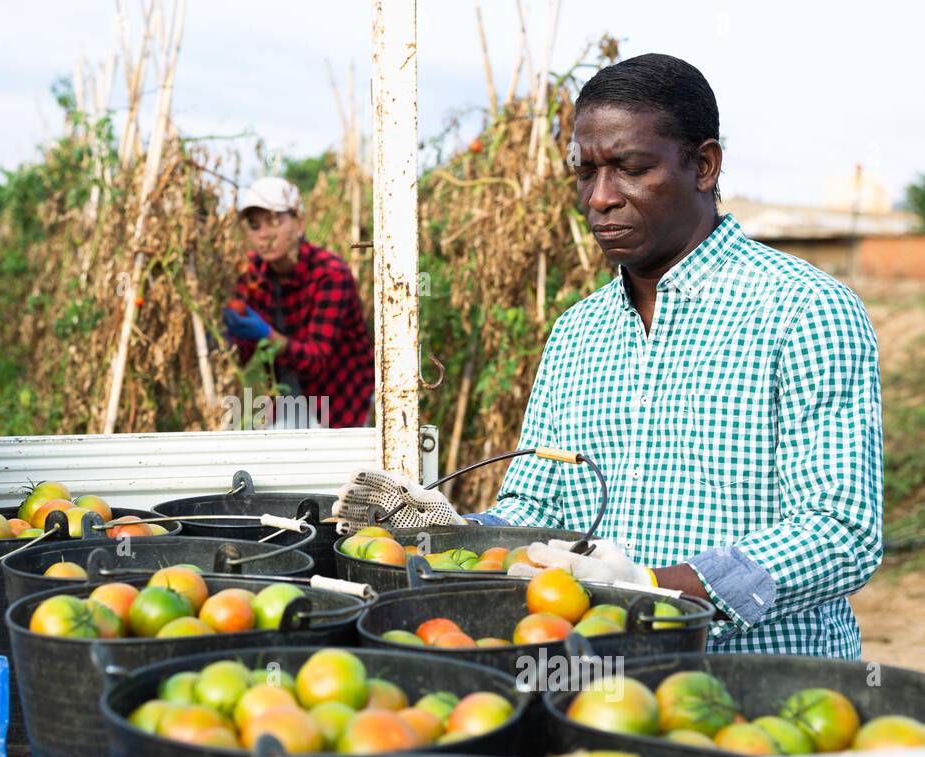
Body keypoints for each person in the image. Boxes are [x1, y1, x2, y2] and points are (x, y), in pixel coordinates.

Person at [337, 54, 883, 659]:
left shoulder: (804, 310)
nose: (600, 199)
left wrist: (656, 592)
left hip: (762, 687)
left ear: (704, 166)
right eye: (586, 172)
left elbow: (841, 531)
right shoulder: (578, 332)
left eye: (630, 169)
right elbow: (537, 508)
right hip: (597, 678)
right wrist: (452, 534)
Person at [223, 177, 374, 428]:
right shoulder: (252, 273)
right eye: (254, 225)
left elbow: (316, 360)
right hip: (288, 400)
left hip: (340, 402)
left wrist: (266, 335)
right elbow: (244, 353)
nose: (265, 235)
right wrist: (228, 336)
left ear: (299, 224)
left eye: (274, 222)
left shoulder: (330, 274)